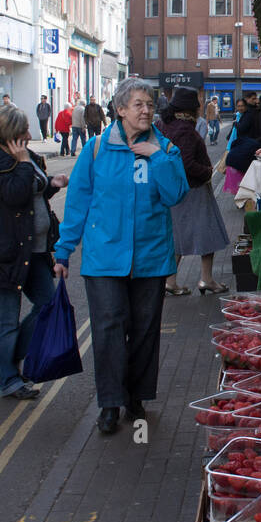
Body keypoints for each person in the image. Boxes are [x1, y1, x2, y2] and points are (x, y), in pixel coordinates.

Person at [53, 78, 189, 435]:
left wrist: (157, 157)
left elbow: (176, 194)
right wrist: (63, 251)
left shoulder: (165, 148)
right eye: (139, 104)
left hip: (151, 257)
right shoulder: (97, 149)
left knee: (144, 331)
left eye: (150, 105)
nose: (146, 111)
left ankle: (137, 397)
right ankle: (110, 403)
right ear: (121, 109)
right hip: (104, 259)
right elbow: (78, 203)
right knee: (109, 329)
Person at [0, 104, 67, 401]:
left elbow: (32, 192)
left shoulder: (24, 156)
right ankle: (9, 379)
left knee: (48, 305)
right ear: (9, 134)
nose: (29, 134)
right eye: (23, 131)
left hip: (35, 249)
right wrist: (25, 163)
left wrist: (51, 185)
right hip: (7, 252)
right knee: (7, 318)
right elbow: (14, 195)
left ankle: (8, 355)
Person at [155, 87, 230, 297]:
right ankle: (206, 279)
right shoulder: (185, 130)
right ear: (191, 109)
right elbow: (186, 163)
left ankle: (171, 281)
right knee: (208, 233)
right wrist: (207, 171)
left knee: (178, 235)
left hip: (173, 190)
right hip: (192, 189)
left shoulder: (164, 125)